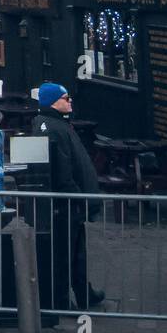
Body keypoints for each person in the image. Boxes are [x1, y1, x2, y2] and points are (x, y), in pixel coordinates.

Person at [33, 83, 104, 314]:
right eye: (66, 98)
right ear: (54, 102)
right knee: (66, 254)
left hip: (70, 202)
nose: (70, 101)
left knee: (75, 252)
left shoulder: (57, 124)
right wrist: (76, 197)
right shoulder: (53, 127)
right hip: (67, 204)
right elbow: (62, 169)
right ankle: (63, 299)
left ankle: (83, 293)